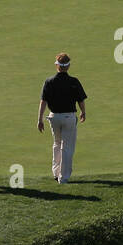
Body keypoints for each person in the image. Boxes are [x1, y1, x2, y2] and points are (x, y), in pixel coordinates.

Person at [37, 52, 87, 184]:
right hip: (69, 117)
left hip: (54, 117)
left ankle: (56, 172)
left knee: (57, 143)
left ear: (57, 66)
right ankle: (63, 177)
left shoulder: (49, 81)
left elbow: (43, 101)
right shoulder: (74, 81)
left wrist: (40, 119)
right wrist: (83, 112)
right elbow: (81, 100)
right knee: (67, 147)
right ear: (68, 66)